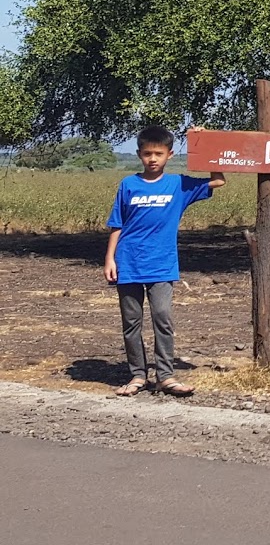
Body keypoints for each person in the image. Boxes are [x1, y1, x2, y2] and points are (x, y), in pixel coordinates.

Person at [104, 125, 225, 397]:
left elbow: (218, 181)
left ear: (170, 154)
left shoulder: (178, 185)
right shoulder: (129, 185)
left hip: (162, 265)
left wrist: (204, 142)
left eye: (159, 153)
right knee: (131, 322)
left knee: (162, 317)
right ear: (139, 155)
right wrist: (110, 258)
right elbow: (116, 224)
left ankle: (165, 376)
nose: (153, 159)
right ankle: (137, 376)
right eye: (147, 153)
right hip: (128, 263)